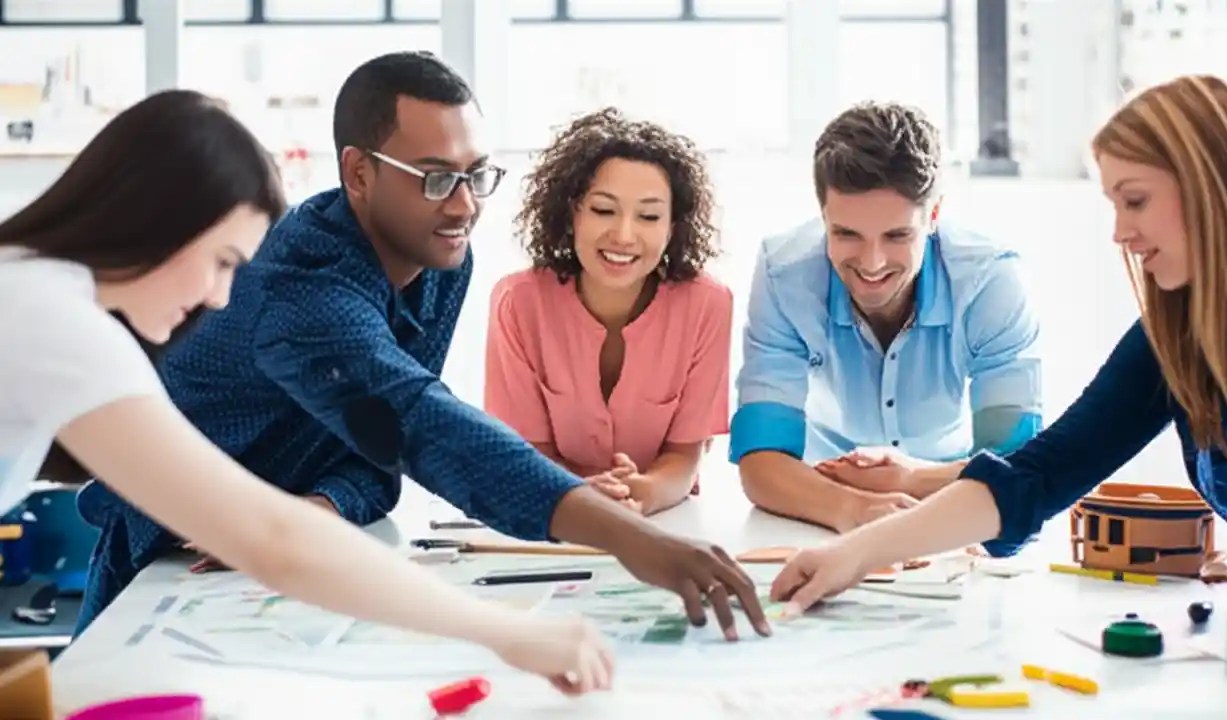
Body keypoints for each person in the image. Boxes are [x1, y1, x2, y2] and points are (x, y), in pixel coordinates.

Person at [77, 52, 770, 641]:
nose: (466, 205)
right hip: (169, 559)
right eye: (437, 177)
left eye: (476, 175)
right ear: (358, 174)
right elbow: (421, 426)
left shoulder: (442, 262)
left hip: (295, 560)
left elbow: (377, 462)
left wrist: (322, 506)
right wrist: (631, 537)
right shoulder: (304, 290)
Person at [0, 89, 613, 693]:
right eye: (221, 261)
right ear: (157, 224)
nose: (218, 297)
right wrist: (509, 633)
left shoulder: (31, 289)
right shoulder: (55, 319)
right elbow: (275, 539)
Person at [771, 73, 1227, 613]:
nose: (1119, 232)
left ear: (1211, 185)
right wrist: (852, 555)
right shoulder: (1182, 337)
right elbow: (1036, 475)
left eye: (1135, 200)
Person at [730, 100, 1043, 533]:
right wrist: (853, 510)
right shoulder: (783, 274)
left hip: (955, 497)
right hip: (816, 503)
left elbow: (1017, 463)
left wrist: (913, 480)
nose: (872, 263)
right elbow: (760, 461)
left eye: (897, 235)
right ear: (823, 216)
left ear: (933, 216)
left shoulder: (991, 282)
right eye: (846, 235)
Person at [485, 108, 729, 516]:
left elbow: (685, 456)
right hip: (549, 517)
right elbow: (524, 453)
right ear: (571, 213)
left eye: (649, 216)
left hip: (665, 522)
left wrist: (642, 492)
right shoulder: (517, 303)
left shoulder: (708, 305)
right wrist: (581, 497)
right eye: (603, 210)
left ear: (672, 228)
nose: (624, 235)